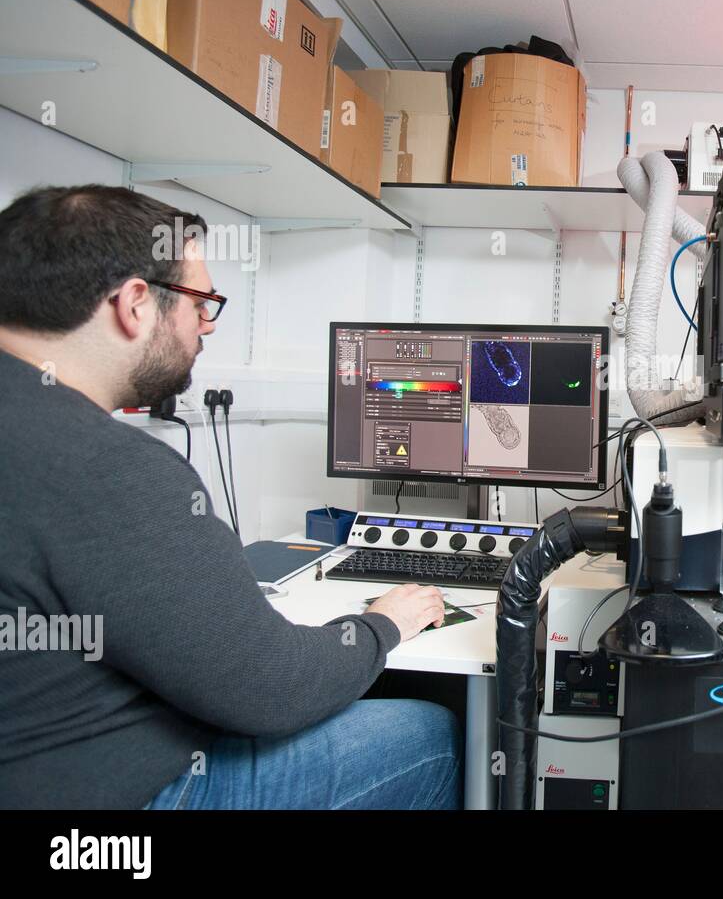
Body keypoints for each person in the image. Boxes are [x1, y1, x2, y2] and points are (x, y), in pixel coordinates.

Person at [0, 185, 461, 809]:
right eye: (201, 303)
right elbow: (272, 688)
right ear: (135, 303)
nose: (207, 324)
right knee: (431, 735)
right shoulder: (103, 464)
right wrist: (383, 624)